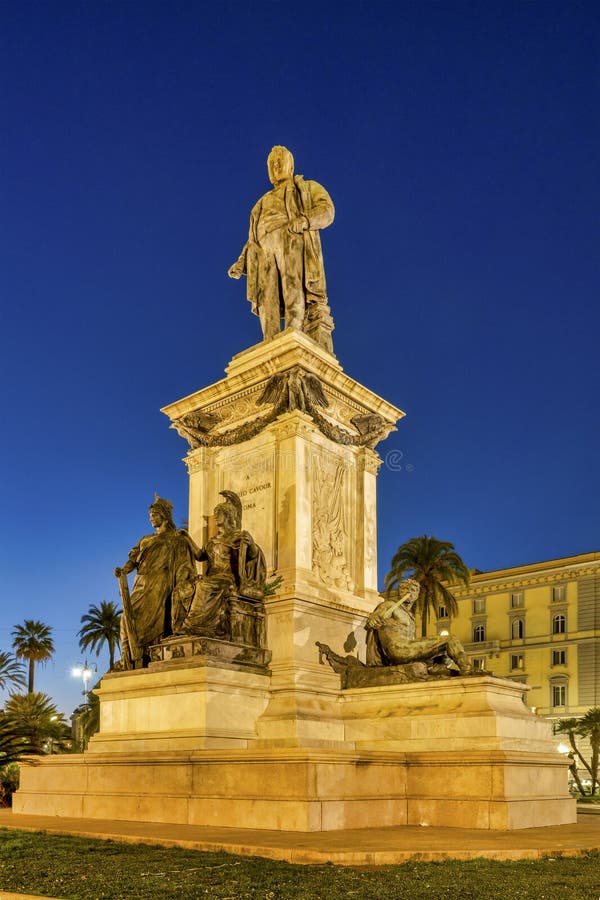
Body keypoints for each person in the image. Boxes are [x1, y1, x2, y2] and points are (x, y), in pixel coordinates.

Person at [228, 146, 335, 353]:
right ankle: (270, 338)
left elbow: (327, 210)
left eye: (280, 161)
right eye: (271, 164)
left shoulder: (305, 187)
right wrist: (242, 261)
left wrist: (305, 220)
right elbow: (251, 239)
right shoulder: (261, 202)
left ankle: (294, 330)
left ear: (291, 165)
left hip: (291, 236)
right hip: (262, 248)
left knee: (292, 285)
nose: (276, 166)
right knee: (266, 296)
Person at [114, 495, 197, 669]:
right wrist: (123, 570)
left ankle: (146, 657)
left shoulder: (177, 539)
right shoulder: (145, 540)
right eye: (150, 515)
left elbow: (184, 565)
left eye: (154, 514)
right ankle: (127, 658)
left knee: (156, 622)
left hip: (161, 585)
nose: (151, 517)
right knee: (126, 620)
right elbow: (133, 560)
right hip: (142, 583)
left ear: (165, 515)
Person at [178, 491, 267, 637]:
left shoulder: (238, 537)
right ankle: (182, 628)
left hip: (227, 578)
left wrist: (251, 544)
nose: (216, 517)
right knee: (183, 589)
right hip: (212, 577)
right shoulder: (213, 541)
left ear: (228, 516)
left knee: (204, 586)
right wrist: (187, 538)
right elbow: (200, 555)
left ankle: (192, 626)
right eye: (215, 513)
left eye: (219, 513)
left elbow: (253, 555)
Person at [366, 579, 472, 675]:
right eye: (405, 589)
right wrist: (374, 620)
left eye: (413, 590)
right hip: (399, 650)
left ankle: (436, 669)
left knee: (445, 652)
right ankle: (467, 669)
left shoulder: (410, 616)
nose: (409, 592)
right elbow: (375, 617)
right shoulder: (389, 605)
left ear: (417, 595)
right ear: (400, 592)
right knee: (449, 639)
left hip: (408, 649)